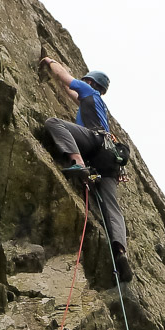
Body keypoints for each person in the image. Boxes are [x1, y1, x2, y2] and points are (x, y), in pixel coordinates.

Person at [40, 57, 133, 282]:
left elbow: (67, 79)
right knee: (112, 208)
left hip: (93, 144)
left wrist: (50, 61)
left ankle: (78, 164)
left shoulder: (89, 92)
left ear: (90, 83)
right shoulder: (96, 103)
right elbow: (70, 91)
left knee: (54, 123)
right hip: (108, 160)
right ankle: (120, 252)